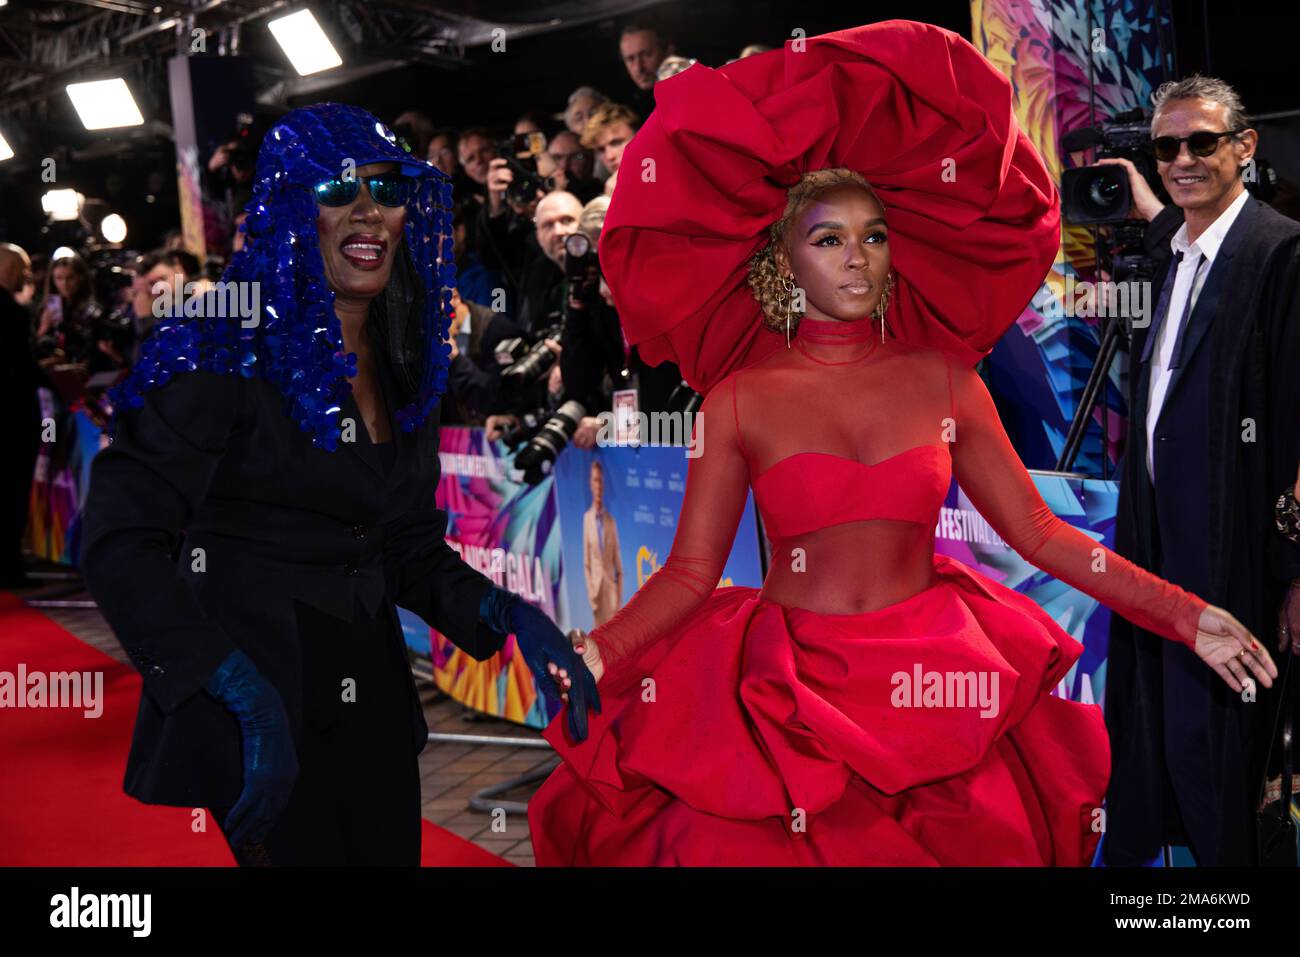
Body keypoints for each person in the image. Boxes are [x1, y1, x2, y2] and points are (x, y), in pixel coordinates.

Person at [526, 21, 1275, 867]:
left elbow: (1041, 535)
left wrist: (1188, 615)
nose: (858, 260)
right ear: (783, 260)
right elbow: (693, 574)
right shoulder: (737, 400)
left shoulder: (945, 379)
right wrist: (599, 649)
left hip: (940, 704)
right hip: (788, 705)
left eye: (874, 236)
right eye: (829, 239)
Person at [79, 103, 597, 867]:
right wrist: (233, 689)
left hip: (371, 696)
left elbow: (404, 547)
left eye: (386, 189)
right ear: (291, 205)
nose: (369, 210)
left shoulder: (404, 355)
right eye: (337, 189)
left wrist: (511, 617)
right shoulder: (220, 343)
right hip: (255, 705)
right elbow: (119, 541)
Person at [1094, 75, 1300, 866]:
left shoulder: (1280, 252)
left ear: (1245, 148)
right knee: (1170, 743)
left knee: (1229, 761)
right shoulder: (1169, 257)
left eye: (1203, 142)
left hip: (1238, 545)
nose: (1183, 158)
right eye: (1167, 146)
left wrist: (1294, 570)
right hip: (1161, 543)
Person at [0, 243, 41, 587]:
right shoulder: (11, 313)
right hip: (11, 418)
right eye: (22, 269)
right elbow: (21, 368)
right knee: (12, 491)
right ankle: (8, 566)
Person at [582, 461, 623, 627]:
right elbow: (587, 563)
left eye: (600, 481)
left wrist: (618, 598)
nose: (598, 485)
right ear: (590, 484)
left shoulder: (611, 523)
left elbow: (619, 568)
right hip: (596, 597)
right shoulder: (587, 519)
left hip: (611, 597)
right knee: (599, 642)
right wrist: (592, 593)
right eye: (595, 480)